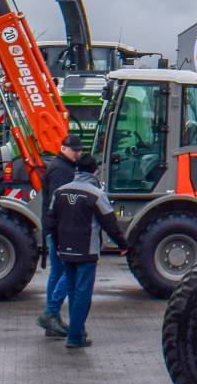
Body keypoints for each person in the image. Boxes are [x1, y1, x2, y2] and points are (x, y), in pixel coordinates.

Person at [42, 154, 128, 349]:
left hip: (64, 250)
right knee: (82, 294)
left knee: (72, 291)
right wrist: (123, 245)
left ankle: (77, 331)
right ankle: (75, 336)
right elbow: (110, 224)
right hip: (86, 252)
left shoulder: (60, 192)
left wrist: (57, 244)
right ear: (95, 171)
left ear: (77, 170)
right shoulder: (97, 195)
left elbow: (50, 221)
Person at [36, 138, 84, 339]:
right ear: (63, 148)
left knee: (57, 272)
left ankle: (52, 320)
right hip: (60, 229)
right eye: (74, 150)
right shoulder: (61, 170)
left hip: (53, 227)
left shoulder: (59, 166)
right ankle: (51, 313)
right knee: (68, 271)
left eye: (79, 150)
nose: (77, 153)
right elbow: (61, 201)